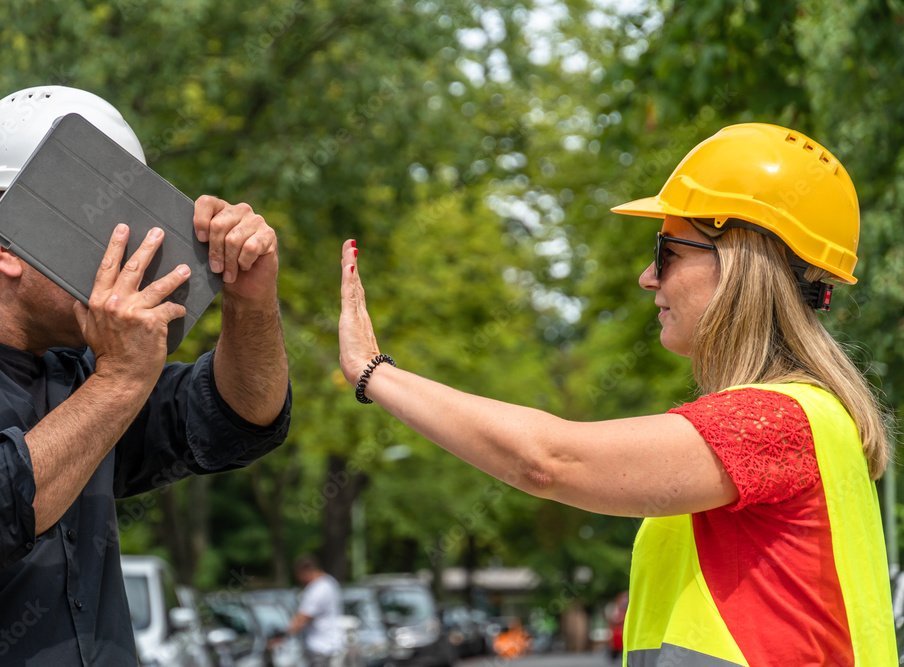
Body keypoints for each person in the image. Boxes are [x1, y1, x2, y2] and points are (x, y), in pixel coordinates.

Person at [336, 123, 897, 665]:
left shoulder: (773, 421)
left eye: (666, 251)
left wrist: (372, 370)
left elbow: (548, 461)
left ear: (740, 265)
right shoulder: (813, 420)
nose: (646, 278)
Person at [0, 86, 292, 665]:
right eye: (105, 235)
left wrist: (250, 303)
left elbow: (237, 419)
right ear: (8, 245)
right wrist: (119, 382)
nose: (132, 259)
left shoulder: (85, 364)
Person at [288, 554, 345, 667]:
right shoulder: (330, 582)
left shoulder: (316, 589)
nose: (299, 580)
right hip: (333, 642)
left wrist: (284, 633)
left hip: (320, 645)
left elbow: (300, 620)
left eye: (299, 575)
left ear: (306, 572)